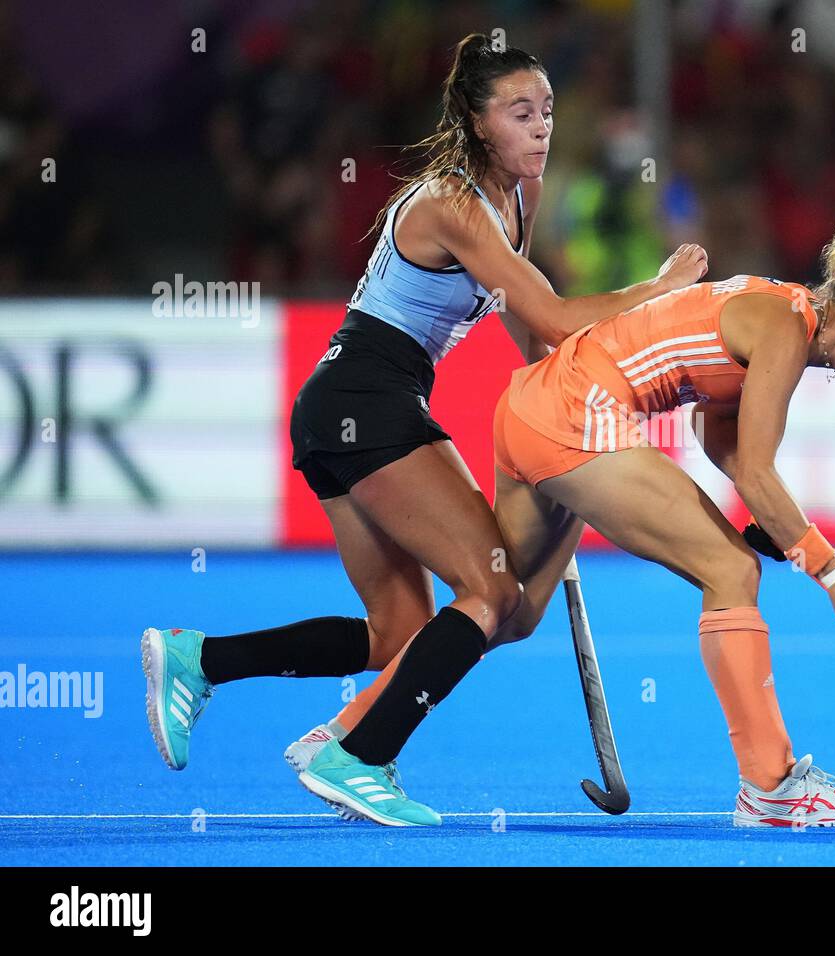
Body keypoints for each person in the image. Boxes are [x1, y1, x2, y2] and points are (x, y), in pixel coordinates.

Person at [142, 33, 708, 827]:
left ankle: (200, 659)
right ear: (480, 124)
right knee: (492, 590)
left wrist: (564, 466)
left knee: (399, 632)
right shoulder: (450, 203)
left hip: (358, 404)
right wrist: (656, 291)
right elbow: (550, 312)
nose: (542, 128)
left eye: (546, 110)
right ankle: (359, 757)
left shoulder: (520, 196)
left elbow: (533, 338)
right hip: (365, 400)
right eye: (520, 113)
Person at [486, 179, 835, 827]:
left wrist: (779, 531)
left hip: (537, 406)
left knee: (504, 606)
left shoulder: (780, 310)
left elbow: (715, 434)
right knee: (730, 572)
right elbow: (754, 471)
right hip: (575, 413)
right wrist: (830, 570)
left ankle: (356, 734)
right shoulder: (785, 328)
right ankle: (771, 788)